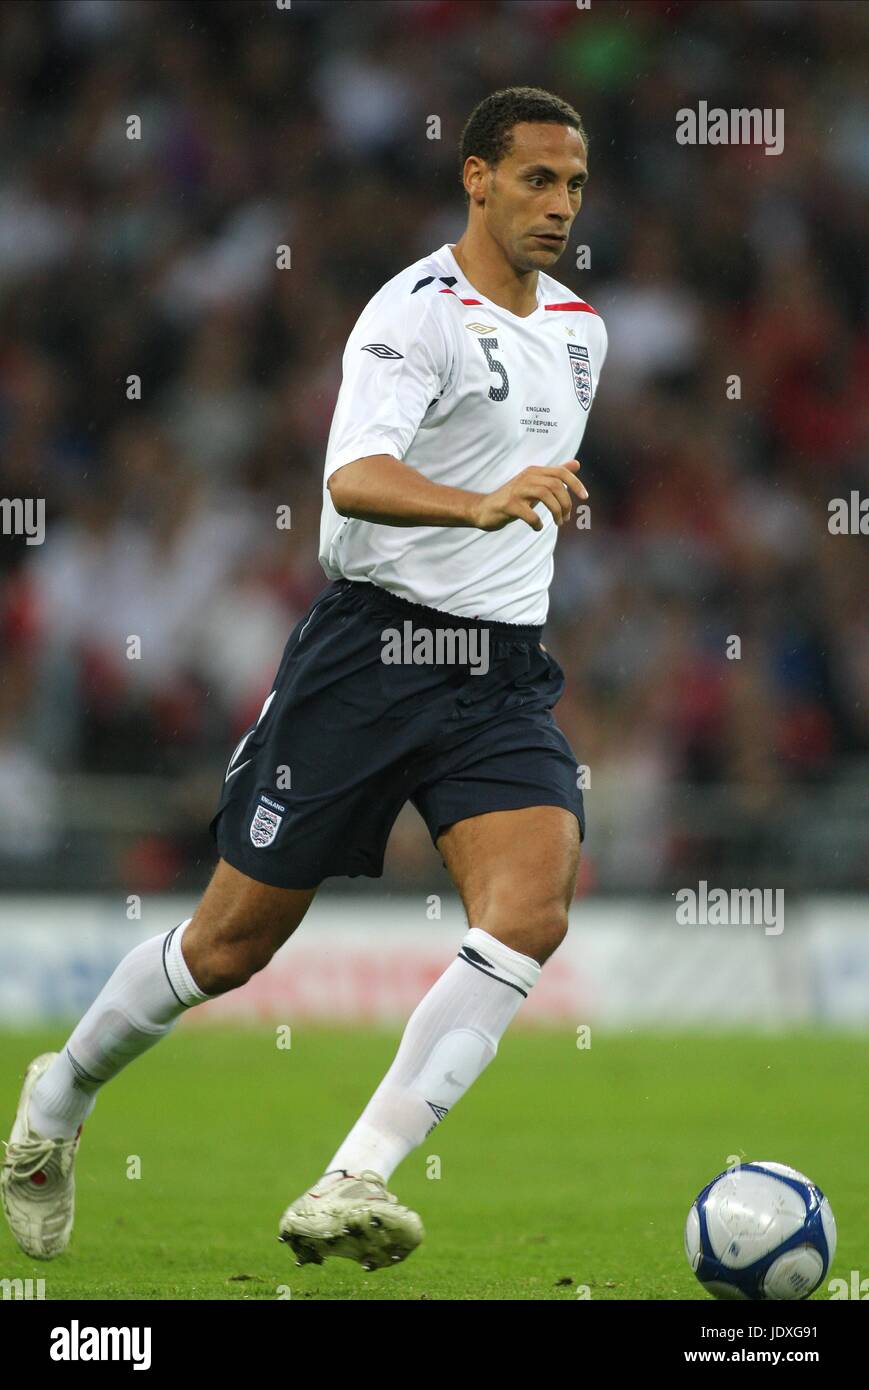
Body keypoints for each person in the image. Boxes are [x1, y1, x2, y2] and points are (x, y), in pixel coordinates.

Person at [2, 85, 607, 1274]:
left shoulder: (582, 329)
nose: (558, 204)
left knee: (529, 912)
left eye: (574, 183)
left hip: (496, 672)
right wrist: (477, 501)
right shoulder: (411, 313)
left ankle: (355, 1174)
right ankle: (56, 1099)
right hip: (370, 656)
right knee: (229, 947)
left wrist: (506, 521)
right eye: (535, 178)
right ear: (475, 179)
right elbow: (355, 478)